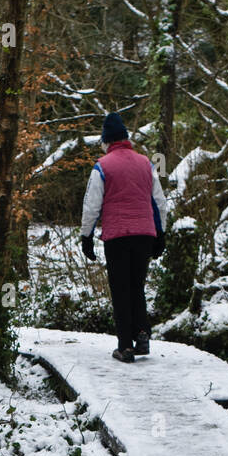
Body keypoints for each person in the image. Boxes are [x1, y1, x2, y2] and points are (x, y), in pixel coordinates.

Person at [80, 112, 167, 362]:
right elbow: (159, 202)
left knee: (120, 289)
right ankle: (141, 333)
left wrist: (86, 236)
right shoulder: (146, 163)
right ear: (126, 138)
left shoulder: (102, 166)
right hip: (143, 235)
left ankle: (125, 346)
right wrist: (160, 234)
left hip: (117, 236)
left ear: (107, 141)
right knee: (137, 286)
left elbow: (92, 205)